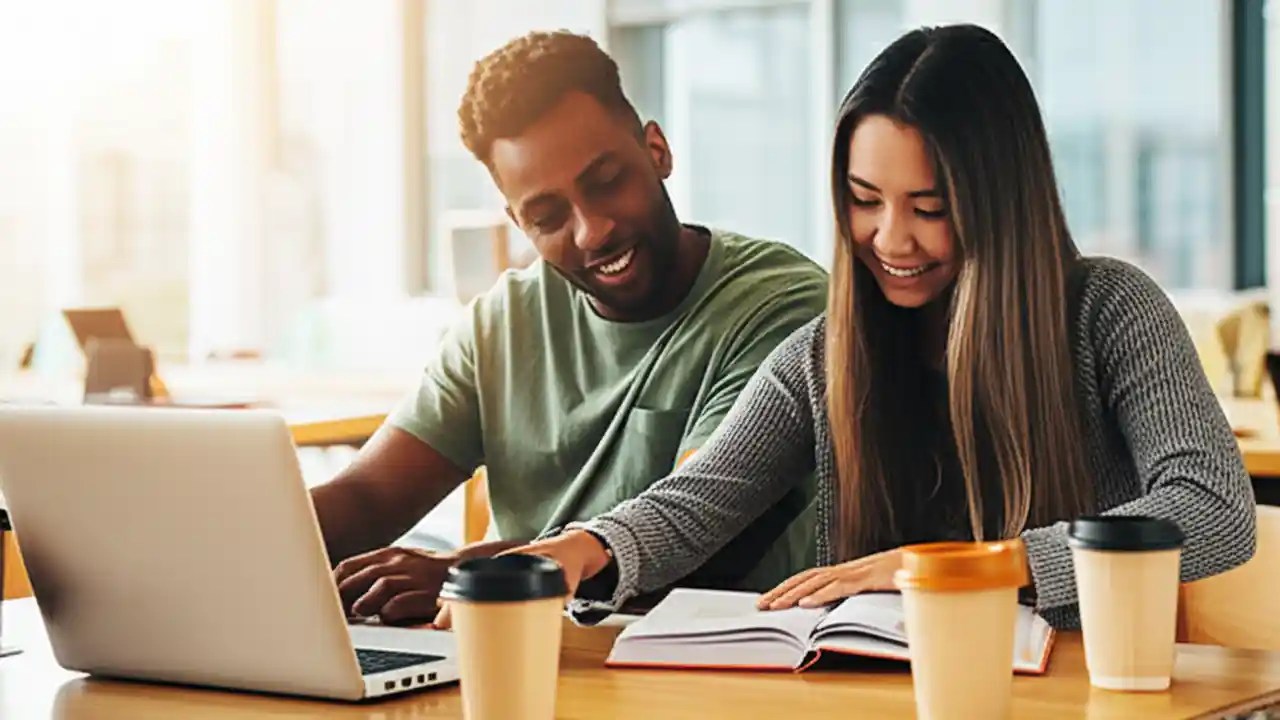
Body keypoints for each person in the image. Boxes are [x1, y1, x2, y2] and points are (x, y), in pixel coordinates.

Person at [501, 24, 1257, 630]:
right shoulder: (825, 355)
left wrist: (960, 566)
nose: (892, 240)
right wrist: (585, 546)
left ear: (1002, 200)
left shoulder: (1110, 311)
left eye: (929, 209)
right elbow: (703, 496)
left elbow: (1214, 508)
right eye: (865, 199)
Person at [310, 31, 829, 625]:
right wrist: (223, 539)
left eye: (607, 182)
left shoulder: (784, 307)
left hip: (709, 663)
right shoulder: (499, 324)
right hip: (519, 654)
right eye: (548, 216)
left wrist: (477, 581)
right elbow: (370, 498)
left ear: (656, 150)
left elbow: (698, 525)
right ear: (518, 223)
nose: (592, 231)